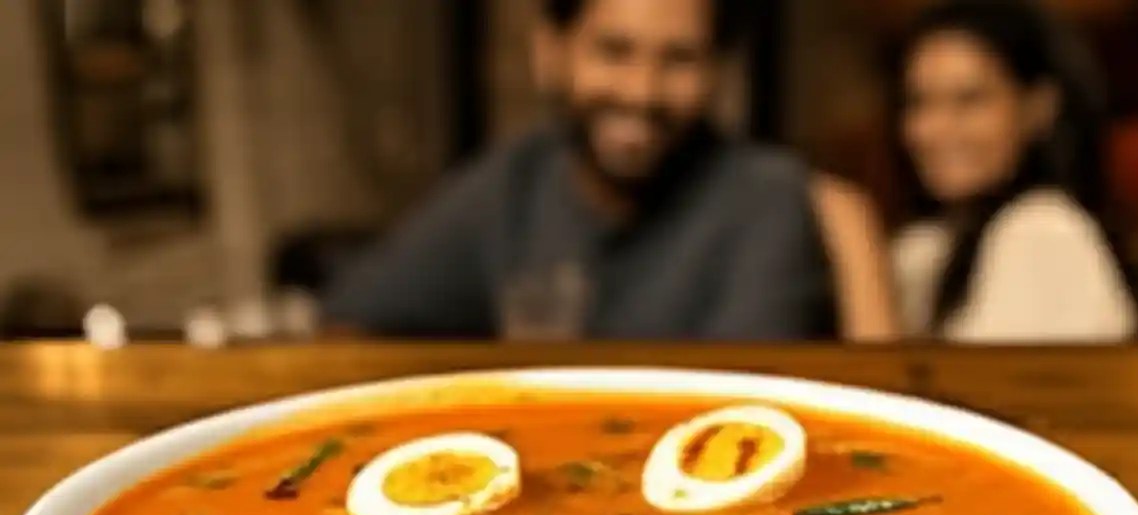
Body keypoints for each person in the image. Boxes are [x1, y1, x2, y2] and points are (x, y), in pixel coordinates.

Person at [325, 0, 851, 340]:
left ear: (718, 73)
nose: (642, 91)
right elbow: (352, 327)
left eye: (681, 59)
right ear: (551, 52)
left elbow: (752, 397)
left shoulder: (766, 196)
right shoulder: (514, 179)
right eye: (614, 51)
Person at [891, 0, 1138, 343]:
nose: (933, 129)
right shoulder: (926, 247)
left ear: (1038, 106)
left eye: (969, 100)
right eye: (920, 102)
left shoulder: (1043, 232)